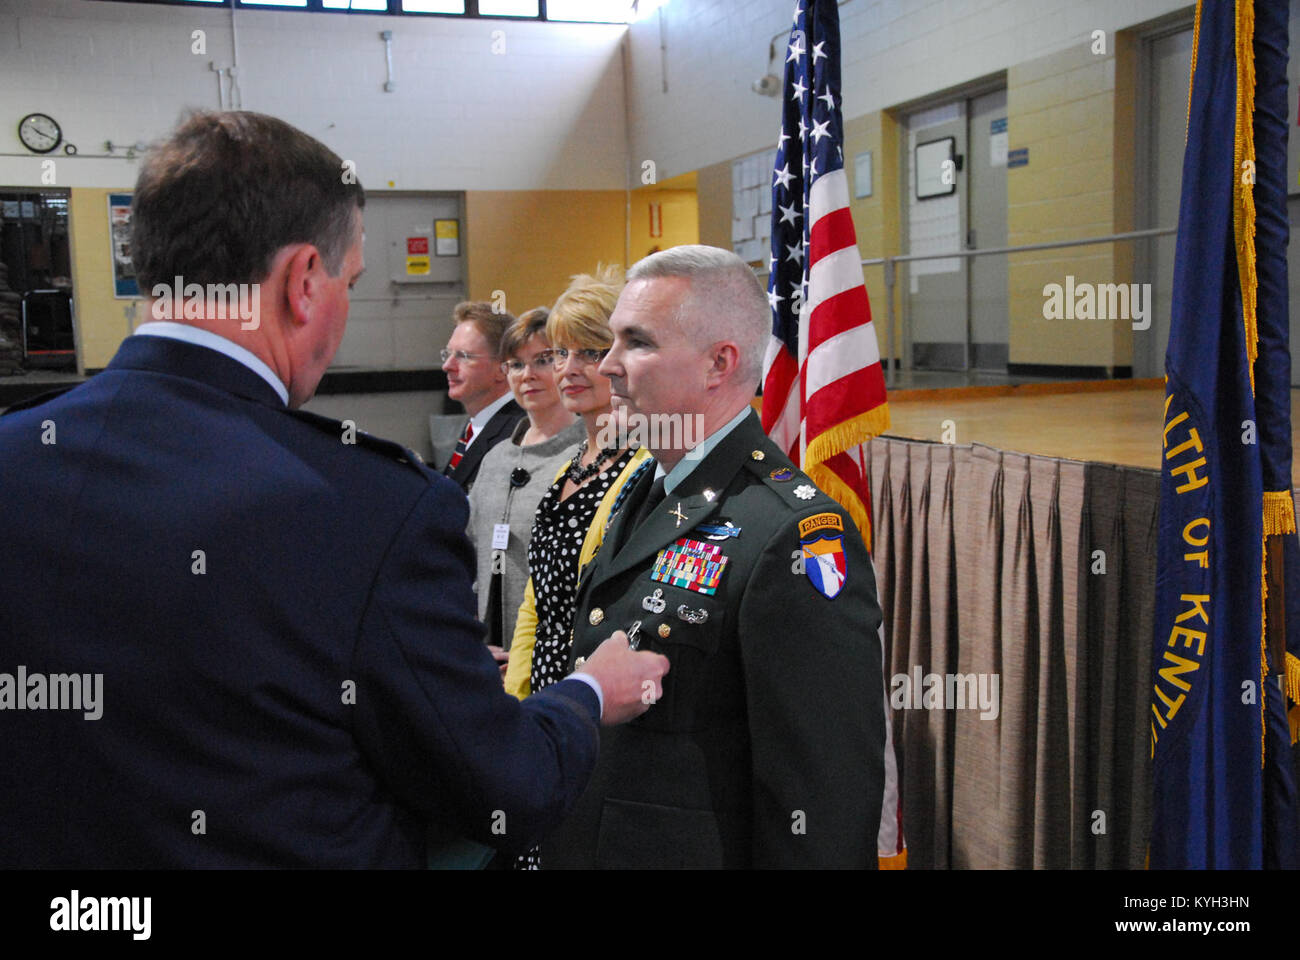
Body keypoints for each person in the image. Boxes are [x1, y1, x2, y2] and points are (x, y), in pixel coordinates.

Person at [0, 110, 667, 869]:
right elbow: (501, 788)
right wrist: (585, 695)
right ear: (303, 281)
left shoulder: (17, 456)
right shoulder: (365, 510)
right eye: (350, 283)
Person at [543, 245, 885, 869]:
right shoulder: (650, 485)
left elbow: (822, 796)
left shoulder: (792, 533)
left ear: (718, 363)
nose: (610, 366)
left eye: (636, 343)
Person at [501, 267, 651, 869]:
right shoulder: (569, 467)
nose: (567, 368)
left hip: (603, 712)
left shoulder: (646, 466)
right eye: (560, 351)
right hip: (550, 707)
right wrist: (515, 706)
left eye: (588, 351)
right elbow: (536, 601)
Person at [467, 307, 582, 669]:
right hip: (488, 648)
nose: (528, 375)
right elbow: (468, 551)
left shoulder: (587, 454)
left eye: (543, 360)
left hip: (553, 650)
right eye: (516, 365)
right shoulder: (495, 458)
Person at [441, 300, 526, 492]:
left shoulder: (517, 434)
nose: (447, 366)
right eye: (448, 354)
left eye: (464, 356)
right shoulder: (477, 425)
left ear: (503, 367)